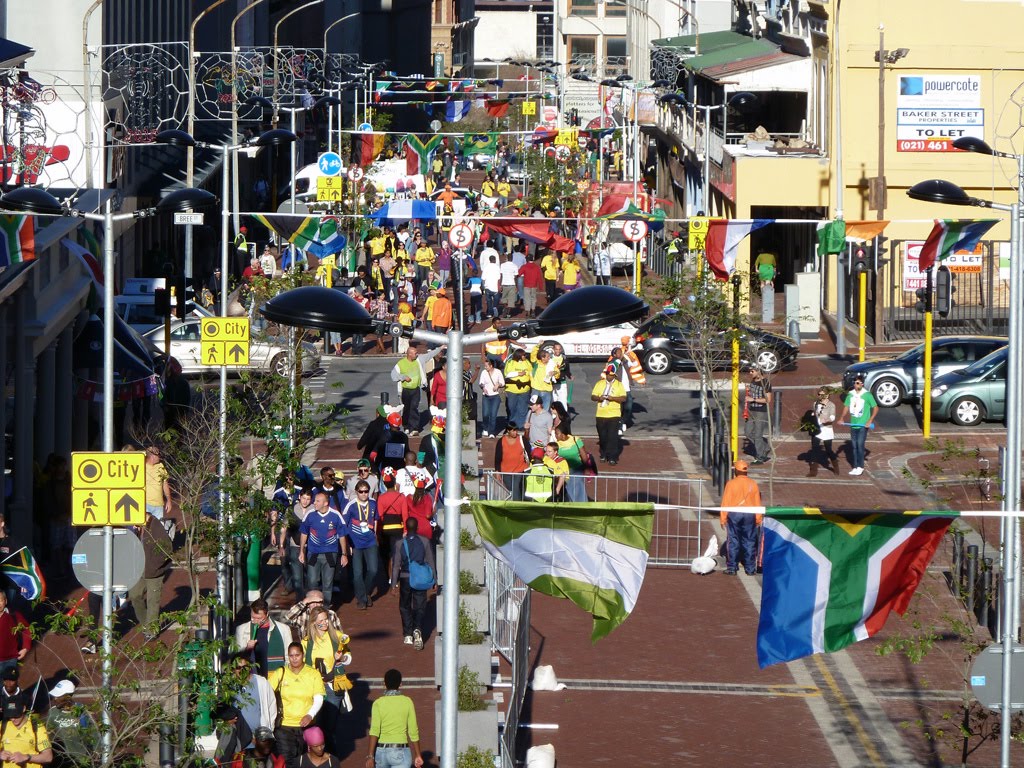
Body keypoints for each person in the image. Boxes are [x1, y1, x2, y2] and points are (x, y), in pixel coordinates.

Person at [301, 608, 352, 755]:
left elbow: (349, 658)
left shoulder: (337, 636)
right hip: (314, 688)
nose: (324, 623)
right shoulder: (306, 642)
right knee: (316, 725)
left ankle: (331, 757)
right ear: (313, 623)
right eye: (320, 621)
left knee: (329, 728)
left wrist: (342, 658)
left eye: (326, 619)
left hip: (332, 686)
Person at [268, 642, 325, 768]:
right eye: (291, 655)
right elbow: (267, 692)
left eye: (297, 655)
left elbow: (319, 698)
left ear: (303, 655)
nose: (294, 658)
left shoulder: (313, 674)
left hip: (307, 727)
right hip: (284, 727)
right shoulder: (280, 673)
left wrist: (310, 715)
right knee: (287, 761)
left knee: (305, 761)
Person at [128, 511, 173, 640]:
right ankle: (146, 624)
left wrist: (156, 565)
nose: (133, 524)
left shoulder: (155, 525)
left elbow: (167, 547)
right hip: (140, 569)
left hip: (154, 571)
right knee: (135, 595)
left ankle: (152, 631)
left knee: (153, 601)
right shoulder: (140, 528)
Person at [366, 668, 424, 768]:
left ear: (384, 684)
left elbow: (374, 731)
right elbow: (413, 731)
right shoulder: (407, 702)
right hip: (401, 751)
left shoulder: (378, 703)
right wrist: (418, 755)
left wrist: (370, 756)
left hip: (381, 751)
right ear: (400, 684)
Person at [300, 493, 349, 608]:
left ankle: (325, 609)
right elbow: (304, 533)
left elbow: (342, 535)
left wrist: (344, 554)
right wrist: (302, 551)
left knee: (328, 583)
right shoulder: (310, 515)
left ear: (325, 503)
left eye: (317, 501)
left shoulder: (336, 515)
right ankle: (312, 608)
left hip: (330, 554)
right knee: (312, 582)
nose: (314, 503)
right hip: (313, 554)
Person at [391, 518, 435, 650]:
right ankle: (417, 628)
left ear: (405, 527)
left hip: (405, 578)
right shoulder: (425, 541)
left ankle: (408, 634)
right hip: (420, 578)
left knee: (404, 605)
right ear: (417, 527)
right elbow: (431, 561)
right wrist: (435, 579)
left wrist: (393, 584)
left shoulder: (400, 543)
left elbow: (396, 565)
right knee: (420, 605)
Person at [719, 460, 762, 576]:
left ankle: (732, 567)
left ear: (736, 471)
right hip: (749, 514)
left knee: (733, 540)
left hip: (734, 514)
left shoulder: (731, 484)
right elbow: (757, 502)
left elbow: (726, 502)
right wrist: (758, 518)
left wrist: (723, 518)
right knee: (749, 541)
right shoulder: (753, 484)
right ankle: (750, 569)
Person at [342, 480, 380, 610]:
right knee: (357, 573)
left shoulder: (373, 503)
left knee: (373, 570)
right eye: (361, 491)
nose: (364, 494)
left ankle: (366, 592)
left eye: (366, 491)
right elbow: (343, 525)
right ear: (356, 492)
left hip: (370, 542)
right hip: (355, 543)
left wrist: (375, 535)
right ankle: (362, 599)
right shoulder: (351, 505)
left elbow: (375, 520)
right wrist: (347, 544)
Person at [390, 344, 443, 436]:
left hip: (416, 389)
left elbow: (430, 355)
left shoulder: (419, 359)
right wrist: (403, 377)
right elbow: (393, 375)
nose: (417, 354)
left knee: (414, 407)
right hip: (405, 390)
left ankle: (414, 428)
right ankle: (406, 426)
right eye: (415, 353)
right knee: (406, 409)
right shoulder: (401, 363)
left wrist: (440, 348)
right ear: (409, 354)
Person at [236, 598, 294, 677]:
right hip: (252, 678)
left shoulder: (283, 629)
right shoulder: (242, 630)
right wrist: (247, 648)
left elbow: (289, 657)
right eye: (253, 617)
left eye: (259, 618)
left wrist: (287, 676)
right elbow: (237, 659)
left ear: (267, 614)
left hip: (277, 677)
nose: (255, 621)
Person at [46, 680, 98, 768]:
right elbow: (47, 736)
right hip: (59, 760)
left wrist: (97, 754)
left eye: (59, 696)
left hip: (81, 760)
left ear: (68, 697)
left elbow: (94, 736)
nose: (55, 698)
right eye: (55, 695)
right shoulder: (52, 713)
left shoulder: (82, 712)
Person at [839, 375, 878, 476]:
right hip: (853, 425)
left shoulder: (867, 395)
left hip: (862, 426)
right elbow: (846, 407)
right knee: (854, 447)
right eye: (855, 383)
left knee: (860, 446)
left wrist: (870, 420)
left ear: (862, 384)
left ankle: (860, 466)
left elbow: (876, 408)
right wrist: (842, 417)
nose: (856, 385)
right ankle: (855, 466)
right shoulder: (850, 395)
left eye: (858, 383)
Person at [233, 656, 278, 743]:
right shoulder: (230, 686)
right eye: (238, 667)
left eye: (244, 667)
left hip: (259, 740)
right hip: (237, 740)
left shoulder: (261, 682)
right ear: (234, 670)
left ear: (249, 667)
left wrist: (267, 731)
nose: (241, 670)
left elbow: (271, 705)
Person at [0, 695, 52, 768]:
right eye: (10, 715)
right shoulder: (3, 725)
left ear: (23, 709)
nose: (12, 719)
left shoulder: (36, 726)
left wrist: (27, 757)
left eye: (15, 715)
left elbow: (48, 757)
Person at [591, 364, 627, 465]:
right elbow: (593, 396)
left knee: (612, 437)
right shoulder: (599, 383)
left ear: (614, 375)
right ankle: (603, 454)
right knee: (602, 437)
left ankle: (612, 457)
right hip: (601, 414)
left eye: (611, 375)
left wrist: (613, 398)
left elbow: (623, 398)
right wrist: (599, 398)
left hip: (614, 414)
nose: (608, 376)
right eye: (607, 374)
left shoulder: (619, 385)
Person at [743, 367, 773, 464]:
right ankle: (765, 447)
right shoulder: (753, 381)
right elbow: (751, 394)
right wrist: (748, 390)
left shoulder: (765, 383)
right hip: (751, 410)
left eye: (752, 371)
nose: (750, 373)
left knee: (758, 435)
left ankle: (761, 456)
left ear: (759, 372)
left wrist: (753, 399)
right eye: (750, 371)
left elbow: (768, 400)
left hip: (760, 411)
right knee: (748, 432)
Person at [553, 425, 590, 503]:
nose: (555, 435)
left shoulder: (575, 440)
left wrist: (587, 468)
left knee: (578, 486)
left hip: (577, 468)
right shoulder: (557, 444)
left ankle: (582, 503)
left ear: (563, 435)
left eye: (557, 433)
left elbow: (583, 454)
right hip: (565, 470)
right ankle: (570, 503)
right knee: (568, 488)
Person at [494, 423, 529, 501]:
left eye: (516, 431)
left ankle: (518, 507)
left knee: (515, 487)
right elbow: (498, 457)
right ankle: (520, 502)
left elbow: (528, 452)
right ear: (508, 431)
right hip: (505, 471)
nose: (515, 433)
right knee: (511, 489)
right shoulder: (501, 441)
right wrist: (497, 471)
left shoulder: (522, 439)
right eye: (513, 431)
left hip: (520, 470)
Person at [0, 593, 29, 681]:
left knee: (10, 686)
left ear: (5, 601)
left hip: (10, 660)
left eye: (0, 600)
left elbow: (26, 629)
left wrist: (25, 648)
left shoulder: (14, 615)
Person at [502, 348, 532, 431]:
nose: (525, 356)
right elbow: (507, 374)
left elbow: (531, 372)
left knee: (523, 408)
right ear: (519, 355)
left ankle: (521, 425)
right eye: (523, 355)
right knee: (512, 407)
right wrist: (518, 373)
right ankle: (512, 424)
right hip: (512, 390)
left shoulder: (527, 362)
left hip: (525, 389)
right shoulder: (510, 362)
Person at [811, 388, 839, 475]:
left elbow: (832, 418)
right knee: (815, 449)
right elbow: (815, 414)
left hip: (826, 429)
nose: (819, 396)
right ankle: (813, 471)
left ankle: (836, 467)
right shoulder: (815, 404)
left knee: (828, 450)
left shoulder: (831, 405)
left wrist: (826, 420)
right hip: (817, 429)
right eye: (819, 394)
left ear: (827, 395)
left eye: (821, 394)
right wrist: (812, 416)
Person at [477, 358, 505, 438]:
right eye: (485, 366)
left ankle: (491, 432)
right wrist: (483, 388)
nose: (485, 367)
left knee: (493, 414)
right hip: (486, 396)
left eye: (486, 366)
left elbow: (502, 382)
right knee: (485, 414)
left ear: (491, 365)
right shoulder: (484, 372)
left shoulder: (498, 372)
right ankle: (485, 428)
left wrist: (498, 385)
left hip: (496, 396)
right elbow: (481, 383)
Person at [143, 444, 172, 520]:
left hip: (158, 505)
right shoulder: (142, 467)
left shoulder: (160, 466)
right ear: (153, 456)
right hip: (145, 504)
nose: (159, 457)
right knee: (145, 528)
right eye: (158, 455)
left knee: (158, 529)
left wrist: (169, 501)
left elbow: (165, 484)